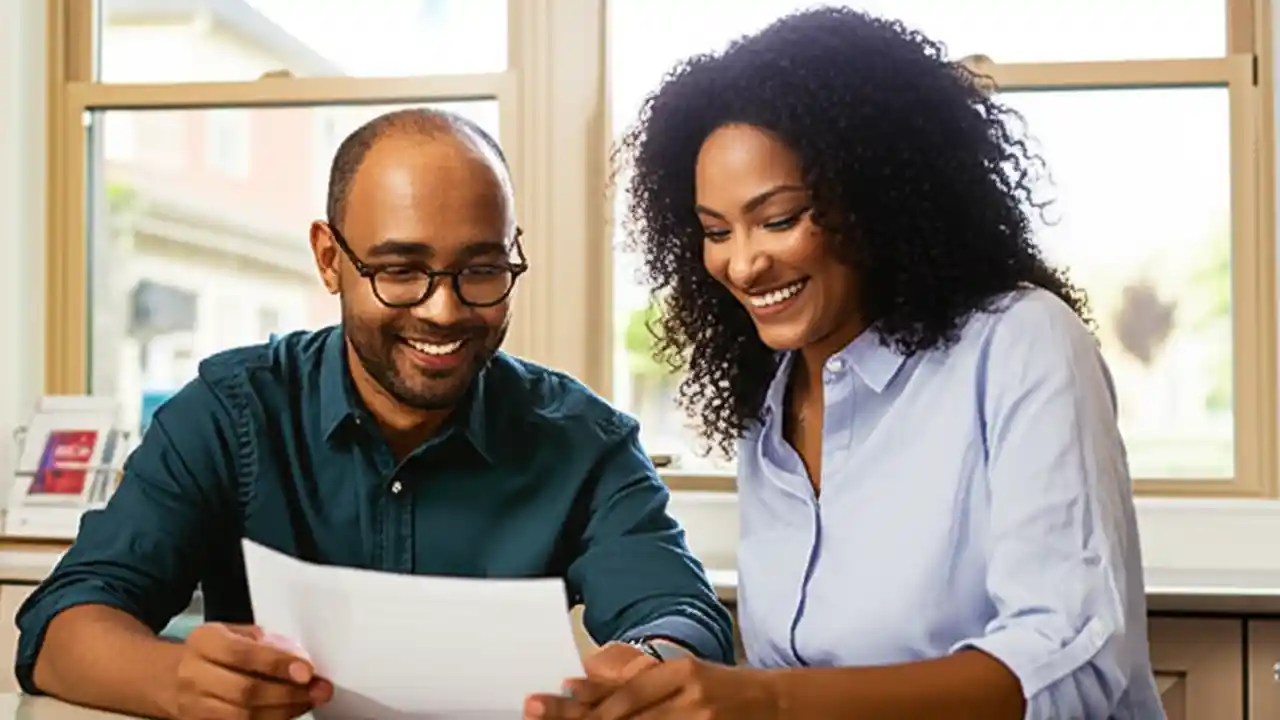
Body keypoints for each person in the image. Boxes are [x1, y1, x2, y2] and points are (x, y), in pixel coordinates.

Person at [527, 7, 1163, 720]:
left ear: (875, 197)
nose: (742, 262)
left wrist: (766, 699)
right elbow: (800, 674)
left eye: (779, 218)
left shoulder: (1021, 343)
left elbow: (1070, 664)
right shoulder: (770, 400)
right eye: (714, 231)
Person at [17, 108, 733, 720]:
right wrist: (181, 683)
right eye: (399, 271)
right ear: (330, 259)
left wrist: (646, 663)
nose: (445, 309)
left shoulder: (585, 440)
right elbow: (63, 624)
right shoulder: (229, 413)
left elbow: (682, 615)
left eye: (481, 270)